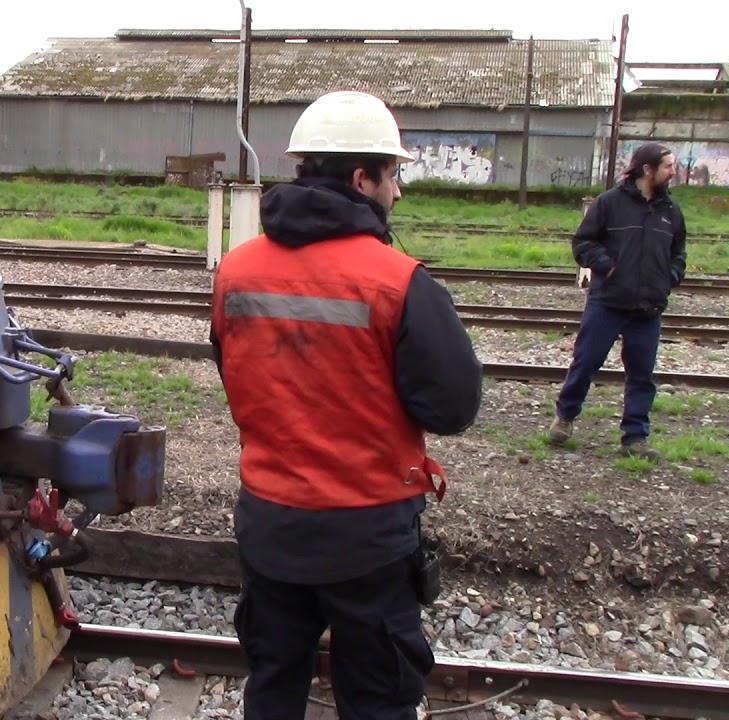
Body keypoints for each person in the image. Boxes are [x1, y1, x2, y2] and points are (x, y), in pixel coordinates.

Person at [208, 90, 483, 720]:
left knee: (273, 683)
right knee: (378, 697)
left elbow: (236, 371)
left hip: (270, 522)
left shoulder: (236, 271)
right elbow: (452, 408)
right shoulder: (399, 281)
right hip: (367, 536)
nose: (399, 193)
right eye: (394, 175)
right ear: (362, 179)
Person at [548, 142, 687, 460]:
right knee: (585, 363)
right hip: (607, 302)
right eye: (667, 166)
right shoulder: (609, 203)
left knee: (642, 375)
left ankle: (635, 438)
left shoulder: (671, 211)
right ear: (648, 170)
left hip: (648, 308)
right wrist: (608, 266)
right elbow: (583, 243)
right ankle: (565, 416)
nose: (673, 171)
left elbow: (678, 252)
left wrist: (671, 276)